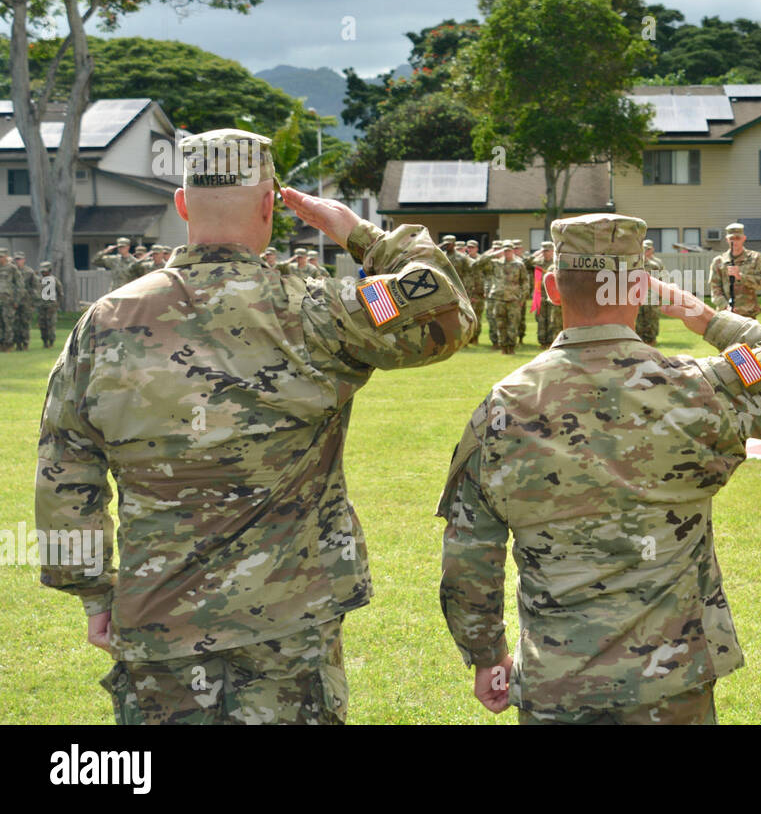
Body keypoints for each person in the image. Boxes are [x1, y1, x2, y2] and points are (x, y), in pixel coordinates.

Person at [34, 127, 474, 725]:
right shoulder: (320, 309)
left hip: (157, 611)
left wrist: (91, 592)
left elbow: (65, 468)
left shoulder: (104, 322)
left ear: (182, 204)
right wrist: (359, 233)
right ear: (270, 205)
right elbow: (446, 311)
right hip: (291, 616)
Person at [438, 213, 761, 724]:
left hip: (558, 681)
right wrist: (701, 316)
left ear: (553, 288)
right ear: (641, 288)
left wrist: (487, 655)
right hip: (672, 679)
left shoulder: (503, 407)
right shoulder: (697, 388)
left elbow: (469, 556)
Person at [708, 222, 761, 319]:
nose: (734, 241)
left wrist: (740, 276)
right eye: (731, 239)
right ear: (727, 239)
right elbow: (715, 289)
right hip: (726, 314)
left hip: (748, 313)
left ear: (744, 238)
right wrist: (725, 306)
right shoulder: (719, 261)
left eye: (737, 238)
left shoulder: (754, 258)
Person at [492, 240, 529, 354]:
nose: (507, 252)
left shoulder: (519, 265)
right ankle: (503, 347)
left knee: (513, 325)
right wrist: (494, 253)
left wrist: (522, 299)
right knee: (500, 324)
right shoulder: (496, 263)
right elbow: (478, 264)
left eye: (509, 250)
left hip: (514, 299)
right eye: (505, 250)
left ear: (513, 251)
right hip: (499, 299)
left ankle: (511, 347)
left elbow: (525, 282)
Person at [635, 239, 664, 345]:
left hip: (652, 297)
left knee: (652, 319)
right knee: (638, 319)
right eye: (644, 249)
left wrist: (661, 297)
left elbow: (660, 282)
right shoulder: (634, 265)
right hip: (637, 297)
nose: (645, 251)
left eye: (647, 249)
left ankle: (651, 340)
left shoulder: (655, 265)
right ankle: (639, 340)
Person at [12, 252, 38, 351]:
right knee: (15, 323)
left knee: (25, 323)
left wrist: (33, 301)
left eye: (20, 259)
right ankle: (18, 344)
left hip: (26, 302)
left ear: (24, 260)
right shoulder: (12, 271)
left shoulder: (29, 272)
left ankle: (25, 344)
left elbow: (35, 286)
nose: (18, 261)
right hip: (14, 301)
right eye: (16, 259)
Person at [36, 260, 63, 349]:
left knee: (50, 325)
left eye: (45, 270)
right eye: (42, 271)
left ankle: (51, 342)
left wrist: (57, 305)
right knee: (42, 325)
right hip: (41, 307)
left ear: (49, 270)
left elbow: (60, 294)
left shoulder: (54, 280)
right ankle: (44, 342)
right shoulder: (39, 280)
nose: (43, 272)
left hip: (51, 307)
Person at [463, 240, 486, 344]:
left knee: (477, 317)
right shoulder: (463, 260)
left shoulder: (482, 260)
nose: (470, 249)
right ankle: (466, 339)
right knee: (466, 317)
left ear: (477, 248)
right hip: (466, 293)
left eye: (472, 247)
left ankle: (475, 338)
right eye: (468, 247)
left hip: (479, 293)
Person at [0, 248, 20, 351]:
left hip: (8, 300)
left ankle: (8, 344)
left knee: (8, 323)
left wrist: (16, 300)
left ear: (6, 257)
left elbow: (19, 285)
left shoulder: (12, 268)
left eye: (1, 256)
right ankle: (1, 344)